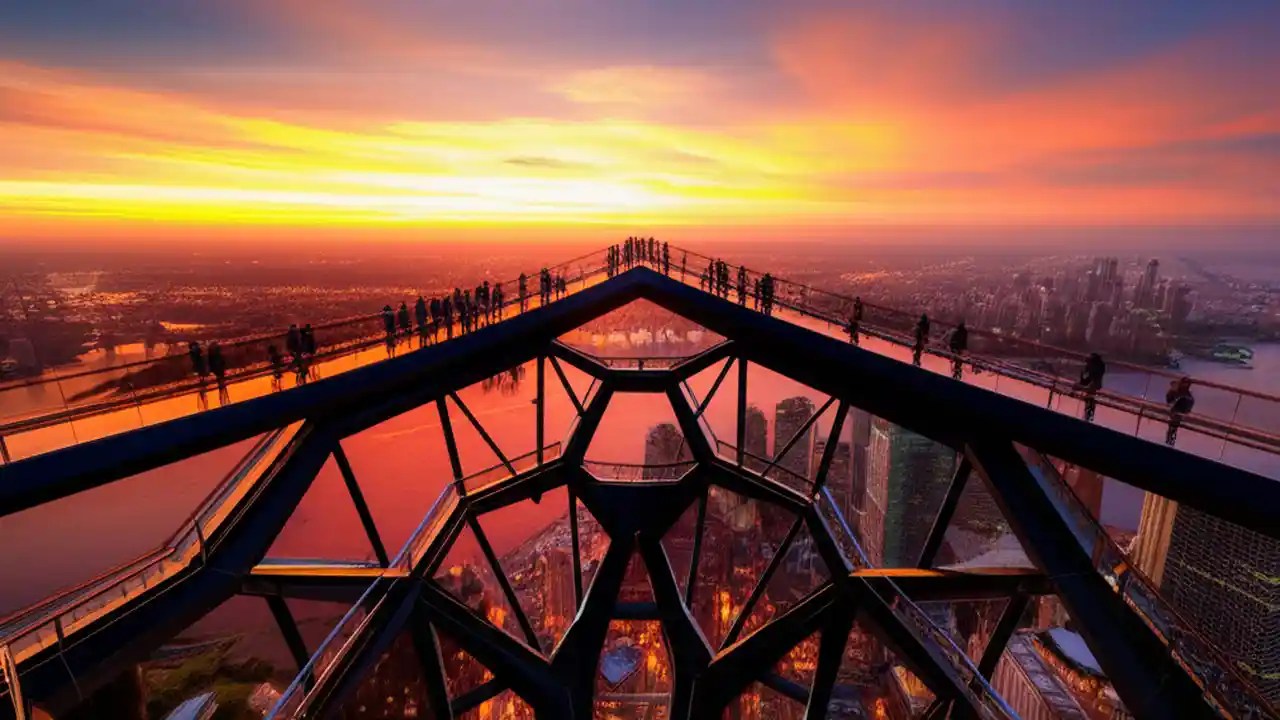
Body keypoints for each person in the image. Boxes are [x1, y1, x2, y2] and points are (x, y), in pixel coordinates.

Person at [1076, 352, 1106, 421]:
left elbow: (1091, 383)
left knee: (1090, 400)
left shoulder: (1095, 371)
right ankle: (1088, 416)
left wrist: (1081, 386)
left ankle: (1088, 415)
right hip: (1091, 388)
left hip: (1092, 388)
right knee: (1090, 399)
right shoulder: (1090, 370)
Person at [1165, 377, 1195, 446]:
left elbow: (1189, 403)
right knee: (1173, 424)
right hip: (1177, 410)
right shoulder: (1178, 392)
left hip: (1178, 410)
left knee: (1174, 424)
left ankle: (1170, 439)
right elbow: (1169, 399)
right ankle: (1170, 439)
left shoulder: (1187, 395)